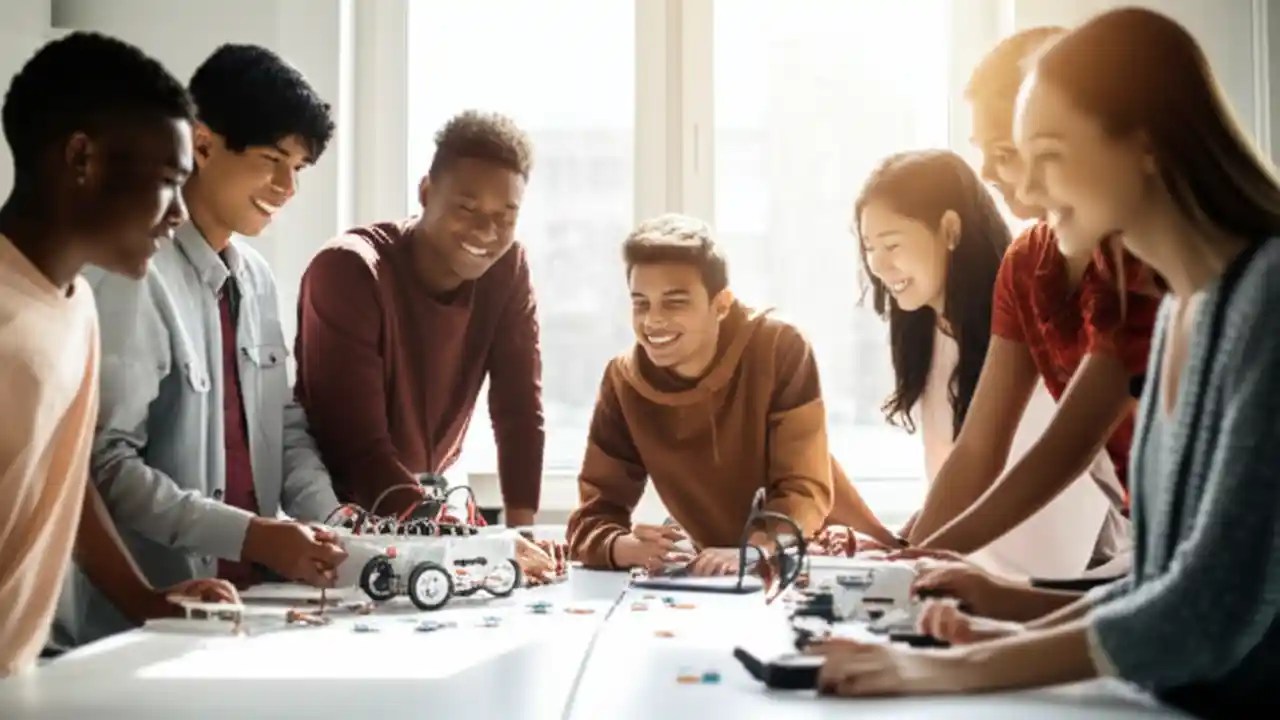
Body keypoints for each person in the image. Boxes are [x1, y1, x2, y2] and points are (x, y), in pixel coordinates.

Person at [812, 9, 1280, 715]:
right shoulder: (1186, 311)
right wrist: (1007, 625)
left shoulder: (1266, 299)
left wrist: (952, 668)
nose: (1025, 186)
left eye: (1049, 154)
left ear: (1145, 145)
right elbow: (1160, 582)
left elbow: (1205, 610)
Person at [60, 44, 347, 647]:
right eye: (272, 160)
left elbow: (283, 428)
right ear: (203, 144)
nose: (287, 186)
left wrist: (338, 524)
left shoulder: (256, 279)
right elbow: (103, 465)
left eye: (299, 167)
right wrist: (251, 535)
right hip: (140, 625)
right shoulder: (132, 269)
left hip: (251, 609)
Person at [0, 32, 237, 676]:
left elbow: (63, 476)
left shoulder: (78, 305)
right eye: (167, 182)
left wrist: (145, 600)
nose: (179, 213)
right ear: (82, 158)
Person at [899, 24, 1163, 576]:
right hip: (1160, 536)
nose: (987, 172)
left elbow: (1068, 445)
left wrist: (927, 557)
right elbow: (978, 449)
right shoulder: (1024, 265)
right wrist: (909, 560)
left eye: (1006, 151)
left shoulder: (1141, 255)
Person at [294, 110, 554, 578]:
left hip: (423, 511)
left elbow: (518, 408)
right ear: (426, 192)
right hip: (334, 520)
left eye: (505, 216)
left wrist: (523, 534)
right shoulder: (348, 269)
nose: (487, 232)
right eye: (467, 208)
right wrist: (470, 542)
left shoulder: (507, 268)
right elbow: (359, 451)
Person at [566, 213, 893, 576]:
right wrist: (625, 547)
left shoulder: (779, 348)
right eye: (641, 303)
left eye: (675, 302)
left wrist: (753, 551)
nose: (652, 321)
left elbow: (803, 489)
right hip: (726, 573)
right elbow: (593, 515)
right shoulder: (624, 381)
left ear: (721, 305)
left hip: (833, 559)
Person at [844, 148, 1109, 580]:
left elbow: (1003, 472)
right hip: (965, 568)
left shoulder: (1022, 330)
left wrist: (914, 560)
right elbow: (956, 477)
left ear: (950, 229)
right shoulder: (928, 331)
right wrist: (906, 545)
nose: (878, 265)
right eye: (869, 247)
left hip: (1041, 575)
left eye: (891, 244)